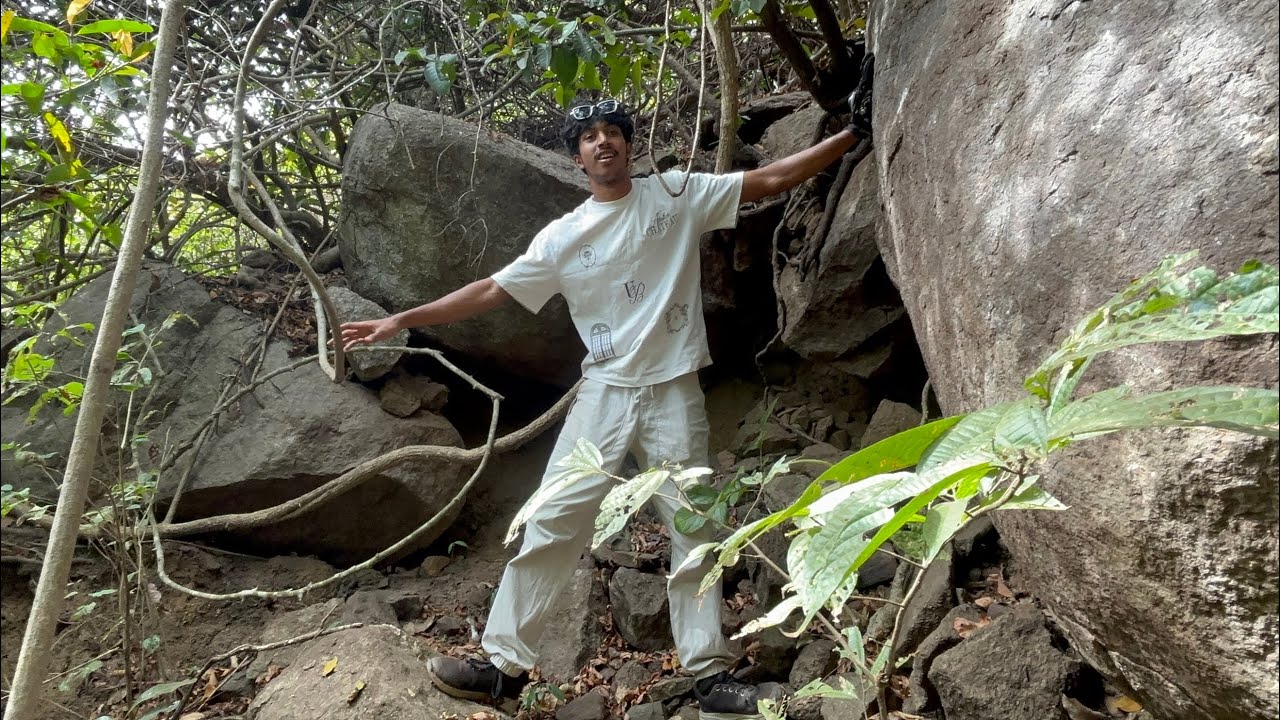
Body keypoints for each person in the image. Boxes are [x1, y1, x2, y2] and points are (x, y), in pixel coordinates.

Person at [341, 77, 873, 720]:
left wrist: (849, 136)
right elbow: (492, 290)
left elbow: (763, 182)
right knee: (554, 522)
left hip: (674, 390)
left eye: (612, 133)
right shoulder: (565, 235)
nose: (603, 144)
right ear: (578, 158)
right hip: (602, 397)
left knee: (693, 528)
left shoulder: (674, 197)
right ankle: (501, 670)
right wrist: (401, 321)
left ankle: (709, 675)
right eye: (590, 137)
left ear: (629, 146)